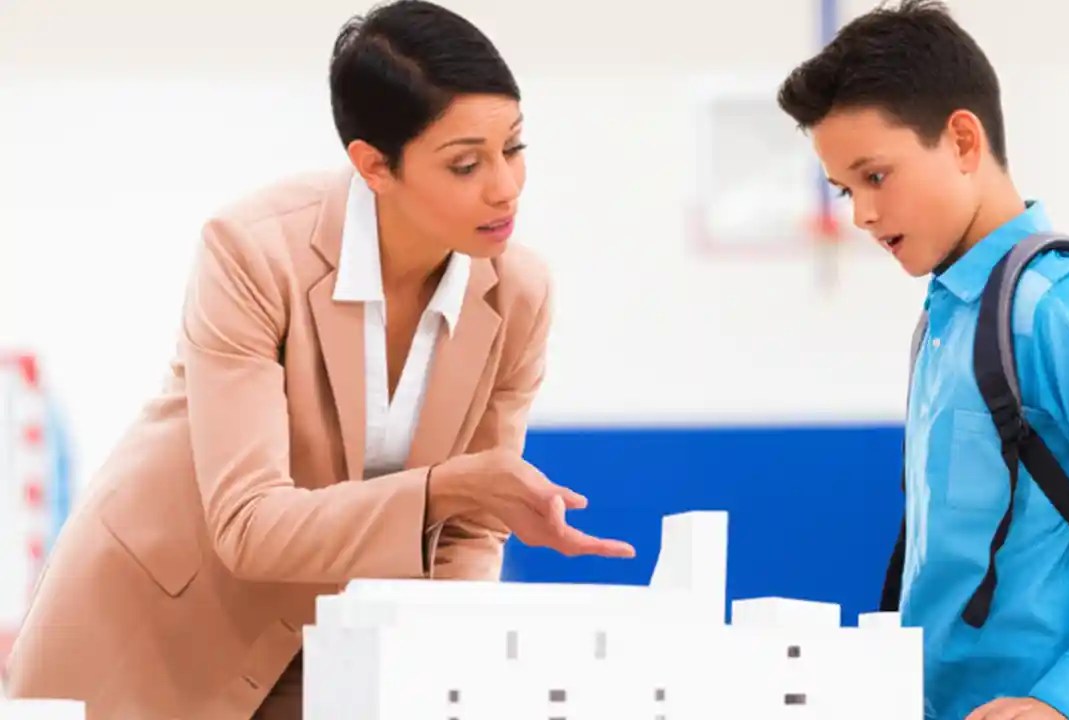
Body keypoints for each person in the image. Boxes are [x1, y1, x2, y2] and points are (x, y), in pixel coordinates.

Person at [2, 2, 635, 717]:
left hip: (334, 647)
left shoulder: (519, 293)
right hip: (155, 638)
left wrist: (441, 677)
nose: (506, 187)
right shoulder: (252, 249)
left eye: (514, 148)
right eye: (466, 163)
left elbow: (471, 526)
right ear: (373, 165)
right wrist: (443, 488)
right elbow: (249, 524)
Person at [777, 2, 1069, 719]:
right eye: (846, 190)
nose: (861, 216)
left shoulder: (1054, 304)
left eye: (876, 176)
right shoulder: (945, 319)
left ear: (963, 141)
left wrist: (1065, 701)